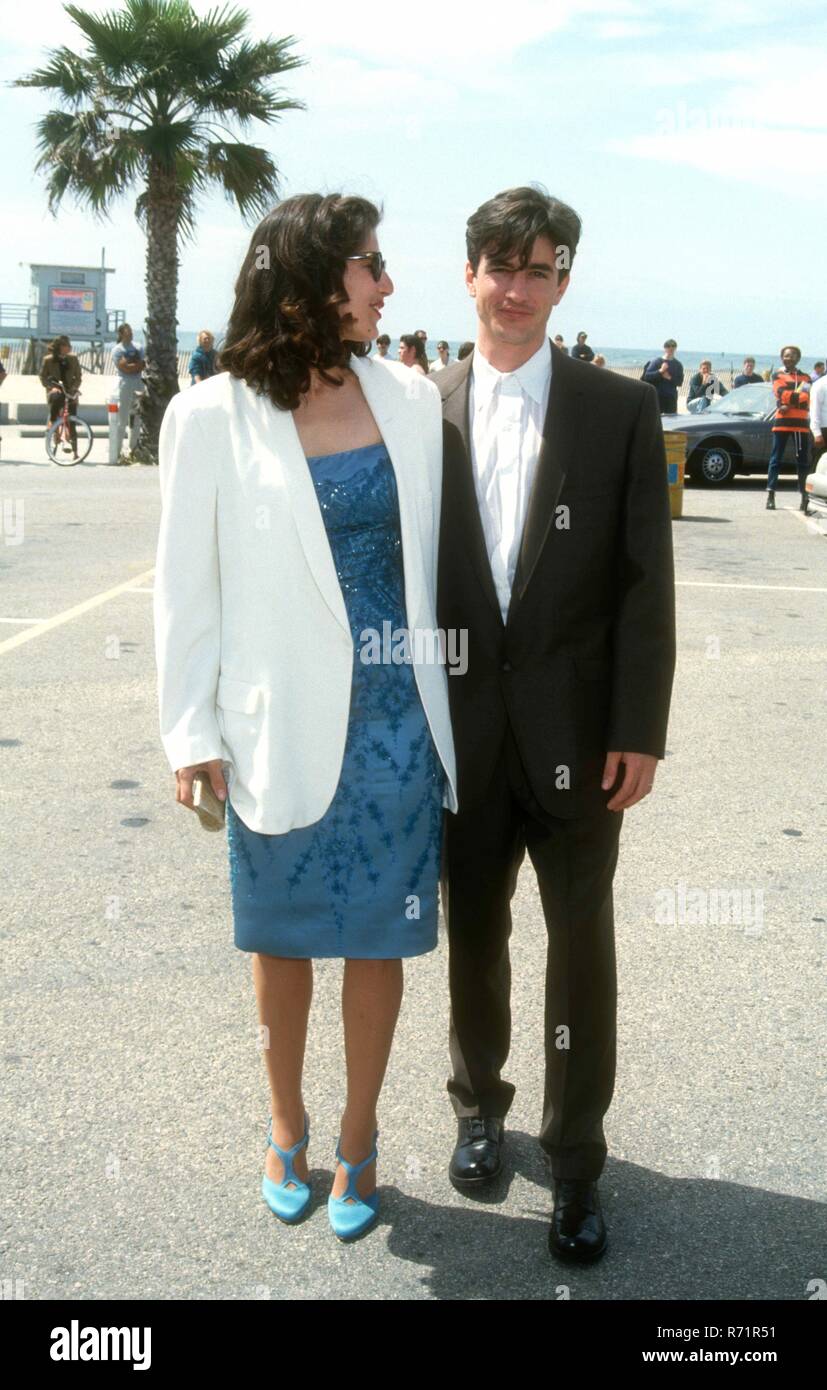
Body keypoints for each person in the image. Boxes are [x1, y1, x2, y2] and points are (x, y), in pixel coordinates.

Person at [153, 193, 457, 1243]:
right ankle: (284, 1128)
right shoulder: (207, 415)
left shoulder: (411, 399)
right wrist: (187, 728)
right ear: (313, 279)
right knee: (280, 944)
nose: (386, 284)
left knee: (377, 944)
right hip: (272, 724)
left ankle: (360, 1135)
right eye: (370, 264)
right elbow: (184, 589)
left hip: (395, 728)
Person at [435, 184, 676, 1264]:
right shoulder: (416, 407)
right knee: (472, 937)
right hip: (461, 737)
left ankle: (576, 1162)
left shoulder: (616, 409)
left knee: (580, 952)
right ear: (469, 273)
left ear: (563, 282)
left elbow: (641, 580)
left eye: (539, 270)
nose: (516, 289)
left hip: (581, 739)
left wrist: (640, 725)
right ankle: (477, 1106)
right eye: (500, 266)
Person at [766, 345, 811, 512]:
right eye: (786, 355)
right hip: (782, 422)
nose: (789, 358)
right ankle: (770, 495)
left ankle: (804, 497)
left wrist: (787, 401)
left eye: (792, 356)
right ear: (781, 358)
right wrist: (791, 399)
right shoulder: (777, 375)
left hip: (801, 425)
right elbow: (780, 392)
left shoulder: (805, 377)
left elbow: (807, 397)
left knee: (802, 461)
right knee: (775, 459)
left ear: (798, 358)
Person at [39, 335, 82, 459]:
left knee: (72, 420)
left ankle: (75, 451)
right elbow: (42, 377)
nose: (70, 347)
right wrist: (51, 387)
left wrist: (74, 388)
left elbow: (78, 377)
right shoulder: (48, 360)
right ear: (60, 347)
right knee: (56, 405)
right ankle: (54, 432)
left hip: (70, 391)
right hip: (55, 391)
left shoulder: (73, 359)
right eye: (67, 345)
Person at [112, 323, 145, 458]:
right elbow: (125, 368)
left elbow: (142, 365)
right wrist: (136, 365)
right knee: (122, 419)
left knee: (136, 418)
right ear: (121, 334)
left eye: (131, 331)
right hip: (125, 384)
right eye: (127, 332)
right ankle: (117, 451)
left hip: (138, 383)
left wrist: (135, 365)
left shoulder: (139, 347)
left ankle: (133, 449)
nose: (130, 334)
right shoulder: (117, 350)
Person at [642, 339, 684, 415]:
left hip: (671, 397)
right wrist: (660, 371)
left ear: (675, 348)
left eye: (673, 346)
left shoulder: (678, 364)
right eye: (668, 346)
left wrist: (669, 378)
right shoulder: (656, 361)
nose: (671, 348)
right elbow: (646, 377)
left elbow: (680, 382)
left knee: (671, 420)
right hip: (657, 396)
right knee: (656, 420)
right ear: (665, 348)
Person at [810, 365, 827, 464]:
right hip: (824, 430)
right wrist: (817, 433)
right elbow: (814, 409)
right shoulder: (820, 384)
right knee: (819, 466)